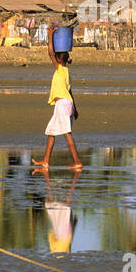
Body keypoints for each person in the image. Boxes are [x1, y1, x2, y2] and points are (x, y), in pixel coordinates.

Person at [33, 24, 81, 170]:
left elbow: (50, 53)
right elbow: (70, 92)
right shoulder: (66, 71)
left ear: (59, 60)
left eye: (56, 58)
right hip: (67, 104)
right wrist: (76, 109)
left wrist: (50, 35)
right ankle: (46, 161)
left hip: (62, 105)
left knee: (67, 135)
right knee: (52, 132)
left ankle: (77, 162)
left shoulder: (60, 69)